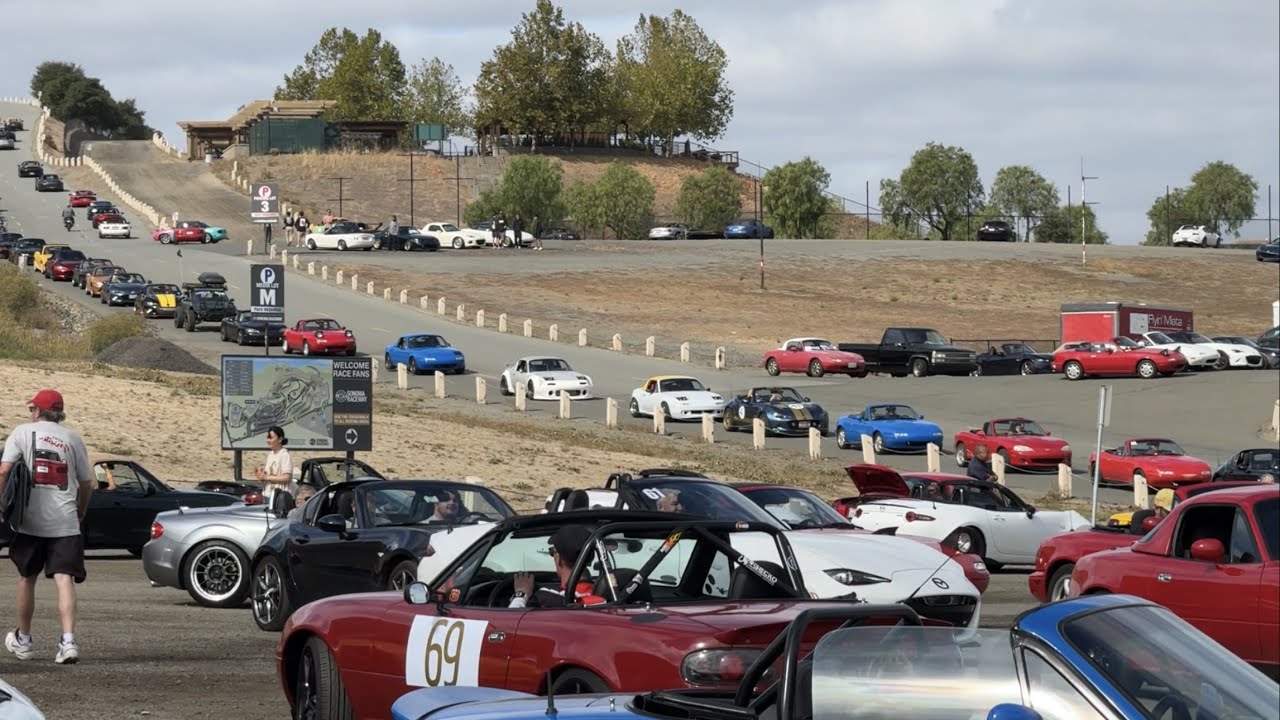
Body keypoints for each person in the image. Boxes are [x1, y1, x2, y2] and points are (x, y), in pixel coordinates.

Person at [0, 389, 94, 664]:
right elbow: (87, 482)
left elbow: (4, 471)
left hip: (29, 520)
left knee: (27, 578)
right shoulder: (73, 439)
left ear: (39, 411)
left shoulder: (21, 432)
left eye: (32, 409)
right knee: (64, 579)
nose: (31, 413)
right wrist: (81, 509)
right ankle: (68, 641)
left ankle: (24, 639)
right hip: (65, 520)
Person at [509, 525, 605, 608]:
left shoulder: (544, 598)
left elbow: (511, 620)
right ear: (590, 559)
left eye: (552, 552)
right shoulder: (605, 593)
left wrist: (521, 594)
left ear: (559, 559)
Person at [253, 426, 294, 501]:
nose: (268, 441)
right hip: (268, 494)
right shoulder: (270, 454)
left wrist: (266, 477)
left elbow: (287, 477)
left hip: (279, 496)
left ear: (280, 439)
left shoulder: (284, 455)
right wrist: (261, 476)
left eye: (271, 438)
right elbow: (269, 475)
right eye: (267, 438)